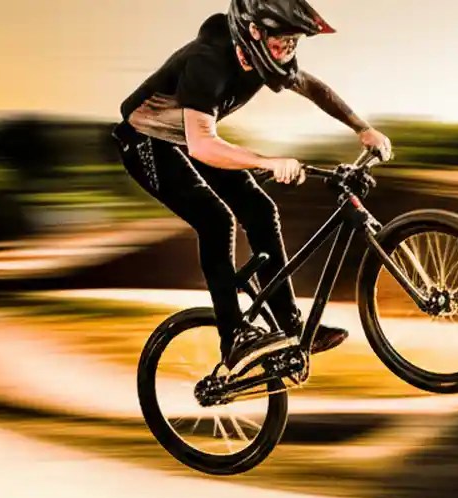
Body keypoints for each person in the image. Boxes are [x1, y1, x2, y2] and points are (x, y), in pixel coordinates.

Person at [112, 0, 393, 376]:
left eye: (293, 44)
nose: (287, 52)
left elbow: (315, 89)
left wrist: (362, 128)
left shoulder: (264, 62)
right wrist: (267, 161)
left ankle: (289, 326)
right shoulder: (207, 61)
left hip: (184, 138)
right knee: (216, 220)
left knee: (261, 211)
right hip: (144, 140)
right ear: (254, 32)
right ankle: (233, 338)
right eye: (281, 43)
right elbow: (203, 146)